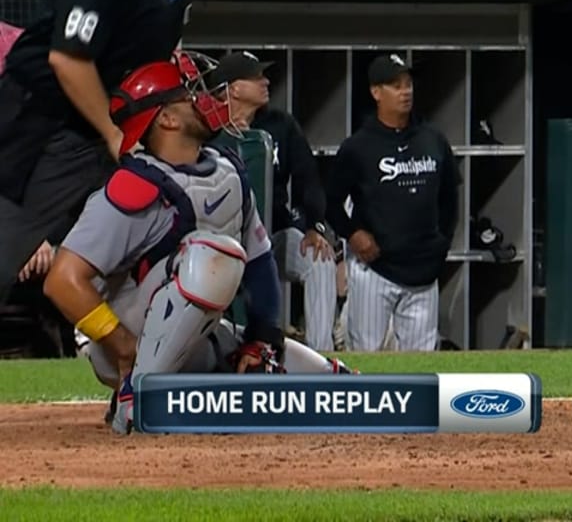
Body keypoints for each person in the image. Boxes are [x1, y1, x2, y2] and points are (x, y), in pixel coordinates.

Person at [43, 54, 354, 434]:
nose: (206, 99)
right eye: (190, 94)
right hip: (127, 340)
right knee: (210, 253)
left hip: (199, 333)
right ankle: (138, 396)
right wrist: (122, 346)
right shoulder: (135, 184)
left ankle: (188, 390)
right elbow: (62, 281)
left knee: (337, 389)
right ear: (167, 119)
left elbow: (259, 262)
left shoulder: (226, 169)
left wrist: (260, 340)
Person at [0, 0, 213, 301]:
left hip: (93, 129)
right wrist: (114, 135)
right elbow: (68, 59)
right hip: (40, 126)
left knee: (122, 252)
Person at [326, 54, 458, 353]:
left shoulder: (433, 140)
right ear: (376, 92)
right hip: (375, 268)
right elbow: (331, 202)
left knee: (422, 365)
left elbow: (450, 199)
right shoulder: (358, 146)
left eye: (408, 84)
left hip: (424, 271)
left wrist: (441, 244)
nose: (405, 92)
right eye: (396, 86)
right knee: (366, 359)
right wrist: (353, 233)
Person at [207, 51, 337, 354]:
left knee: (319, 260)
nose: (265, 81)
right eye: (256, 77)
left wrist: (314, 226)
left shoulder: (280, 124)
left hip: (272, 231)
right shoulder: (209, 128)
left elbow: (308, 176)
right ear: (233, 88)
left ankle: (321, 354)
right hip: (219, 238)